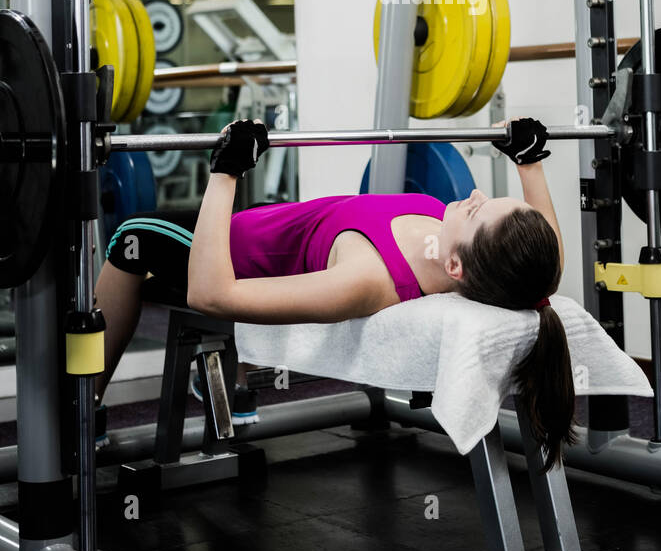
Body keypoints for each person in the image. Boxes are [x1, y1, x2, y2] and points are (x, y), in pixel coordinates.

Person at [94, 117, 577, 469]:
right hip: (274, 220)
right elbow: (546, 262)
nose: (474, 196)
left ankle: (82, 412)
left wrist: (225, 172)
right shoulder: (472, 251)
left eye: (478, 212)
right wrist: (529, 163)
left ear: (455, 266)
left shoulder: (367, 278)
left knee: (131, 238)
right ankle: (231, 386)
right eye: (485, 200)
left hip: (228, 251)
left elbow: (211, 294)